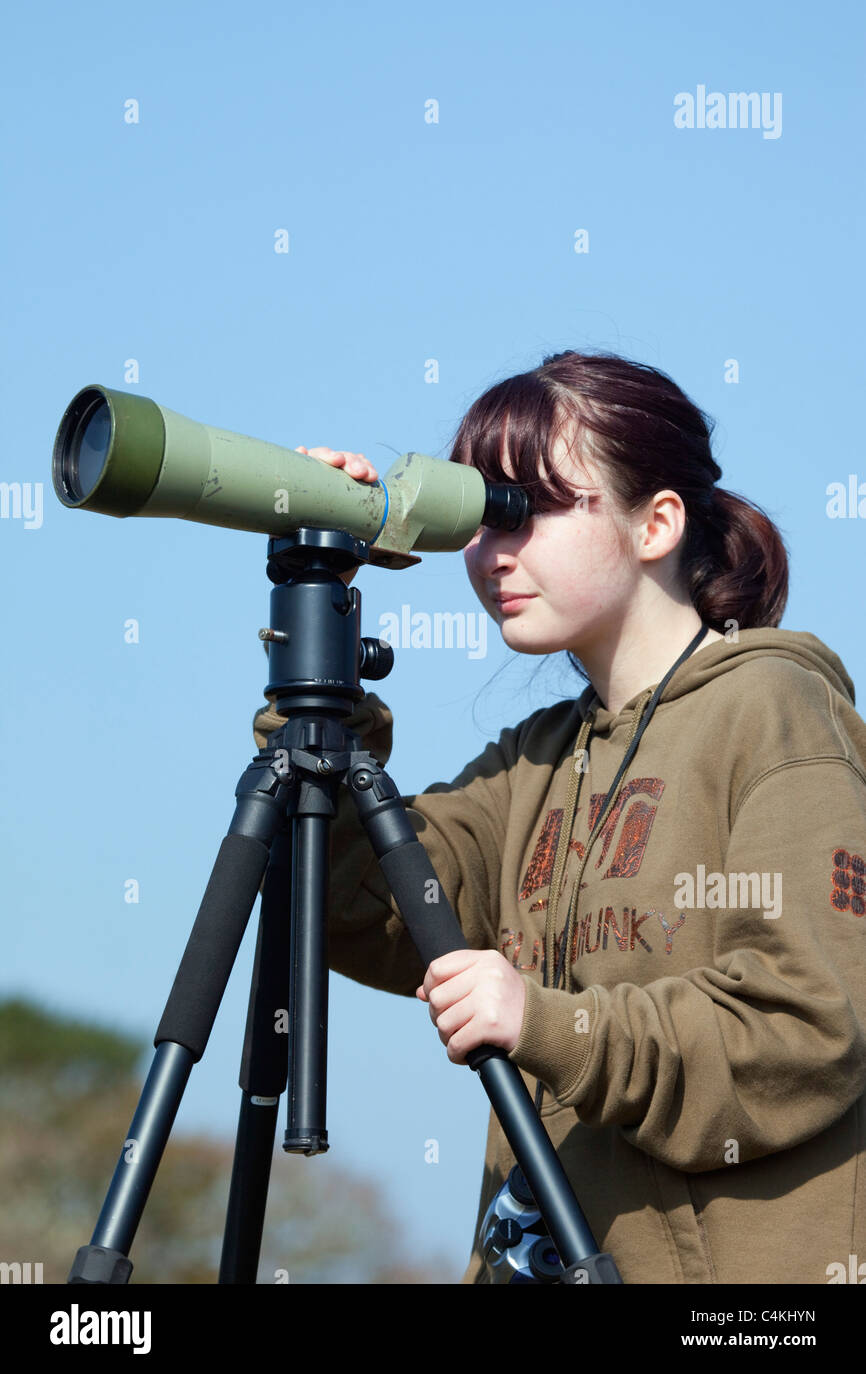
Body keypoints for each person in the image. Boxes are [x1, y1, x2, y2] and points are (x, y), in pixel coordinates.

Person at [254, 350, 866, 1285]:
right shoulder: (534, 759)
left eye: (528, 508)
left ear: (658, 522)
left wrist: (550, 1025)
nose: (494, 548)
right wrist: (320, 594)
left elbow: (807, 1026)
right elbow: (342, 900)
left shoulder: (776, 709)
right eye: (480, 513)